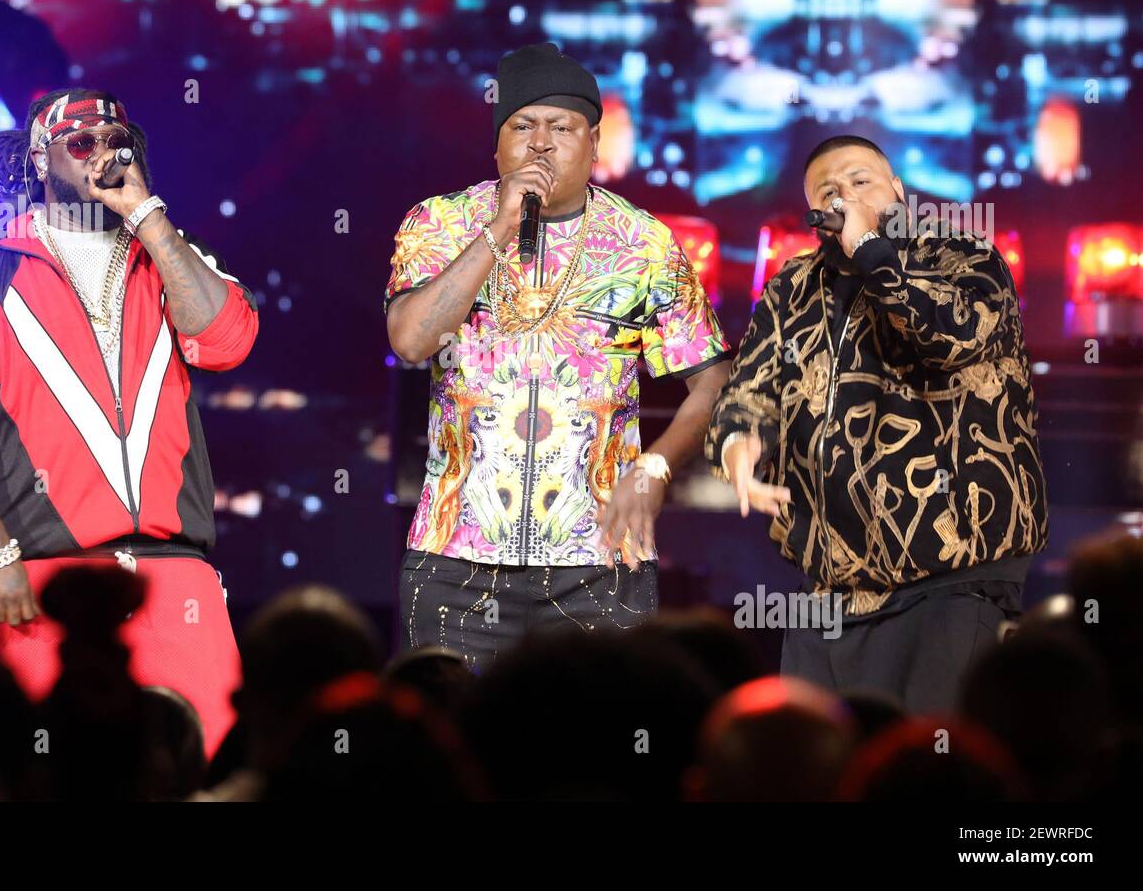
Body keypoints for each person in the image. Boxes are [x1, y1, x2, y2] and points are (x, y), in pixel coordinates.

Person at [0, 88, 259, 756]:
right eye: (81, 141)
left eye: (116, 138)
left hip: (176, 582)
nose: (103, 151)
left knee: (207, 770)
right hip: (41, 584)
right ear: (40, 159)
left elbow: (226, 340)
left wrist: (146, 216)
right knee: (46, 776)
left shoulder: (171, 256)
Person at [385, 43, 732, 670]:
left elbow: (713, 382)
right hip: (453, 563)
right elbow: (411, 341)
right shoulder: (439, 222)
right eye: (522, 126)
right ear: (497, 145)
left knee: (592, 762)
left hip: (601, 566)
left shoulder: (644, 244)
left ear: (594, 142)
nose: (540, 143)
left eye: (561, 126)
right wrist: (497, 228)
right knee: (451, 753)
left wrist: (655, 469)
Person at [704, 135, 1048, 713]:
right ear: (813, 211)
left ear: (899, 191)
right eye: (829, 190)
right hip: (830, 583)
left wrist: (869, 248)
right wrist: (739, 442)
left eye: (861, 181)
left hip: (954, 568)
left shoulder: (966, 259)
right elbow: (750, 388)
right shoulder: (792, 286)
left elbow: (946, 336)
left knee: (925, 763)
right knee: (815, 767)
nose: (845, 195)